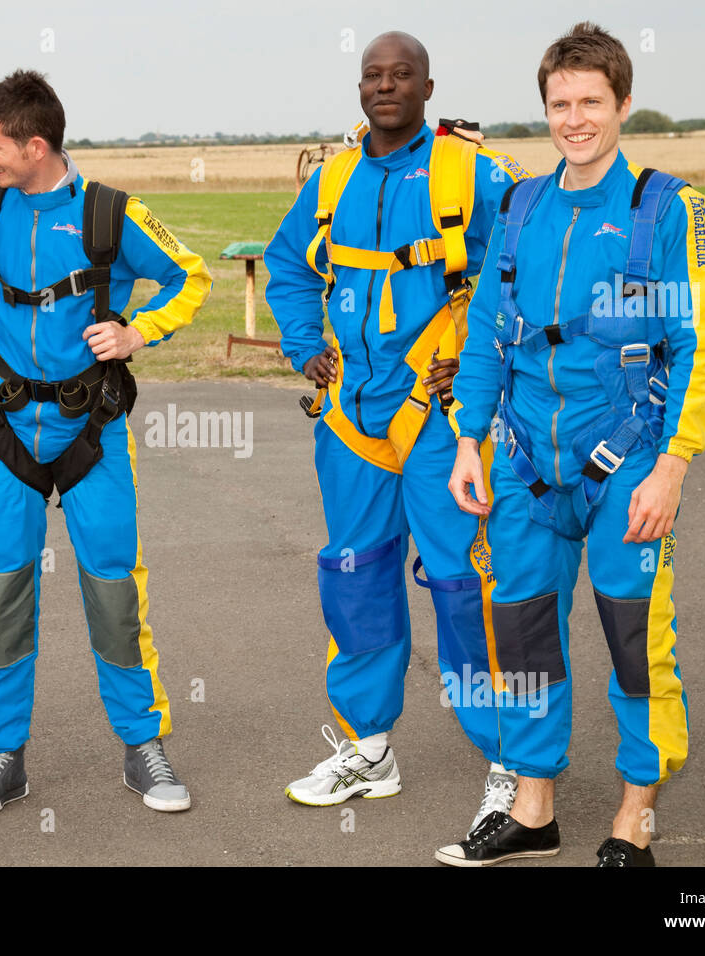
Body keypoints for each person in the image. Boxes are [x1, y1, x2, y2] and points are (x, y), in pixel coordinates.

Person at [440, 22, 705, 866]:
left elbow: (703, 346)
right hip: (526, 466)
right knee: (525, 638)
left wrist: (673, 464)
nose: (574, 119)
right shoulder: (522, 206)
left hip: (630, 465)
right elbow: (491, 331)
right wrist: (467, 440)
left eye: (590, 102)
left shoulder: (675, 211)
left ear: (623, 104)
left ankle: (635, 814)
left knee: (638, 644)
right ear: (546, 109)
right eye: (559, 103)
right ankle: (534, 810)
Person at [0, 71, 212, 816]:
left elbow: (193, 275)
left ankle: (142, 747)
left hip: (94, 434)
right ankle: (3, 757)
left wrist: (138, 330)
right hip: (7, 433)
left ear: (36, 145)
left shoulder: (111, 215)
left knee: (115, 589)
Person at [263, 31, 529, 831]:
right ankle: (368, 748)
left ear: (427, 86)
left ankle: (511, 762)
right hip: (351, 421)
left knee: (464, 585)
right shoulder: (332, 179)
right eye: (373, 75)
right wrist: (307, 345)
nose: (386, 86)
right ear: (361, 88)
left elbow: (524, 270)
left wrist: (485, 363)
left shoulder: (474, 176)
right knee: (355, 577)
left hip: (445, 421)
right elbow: (288, 266)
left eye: (401, 74)